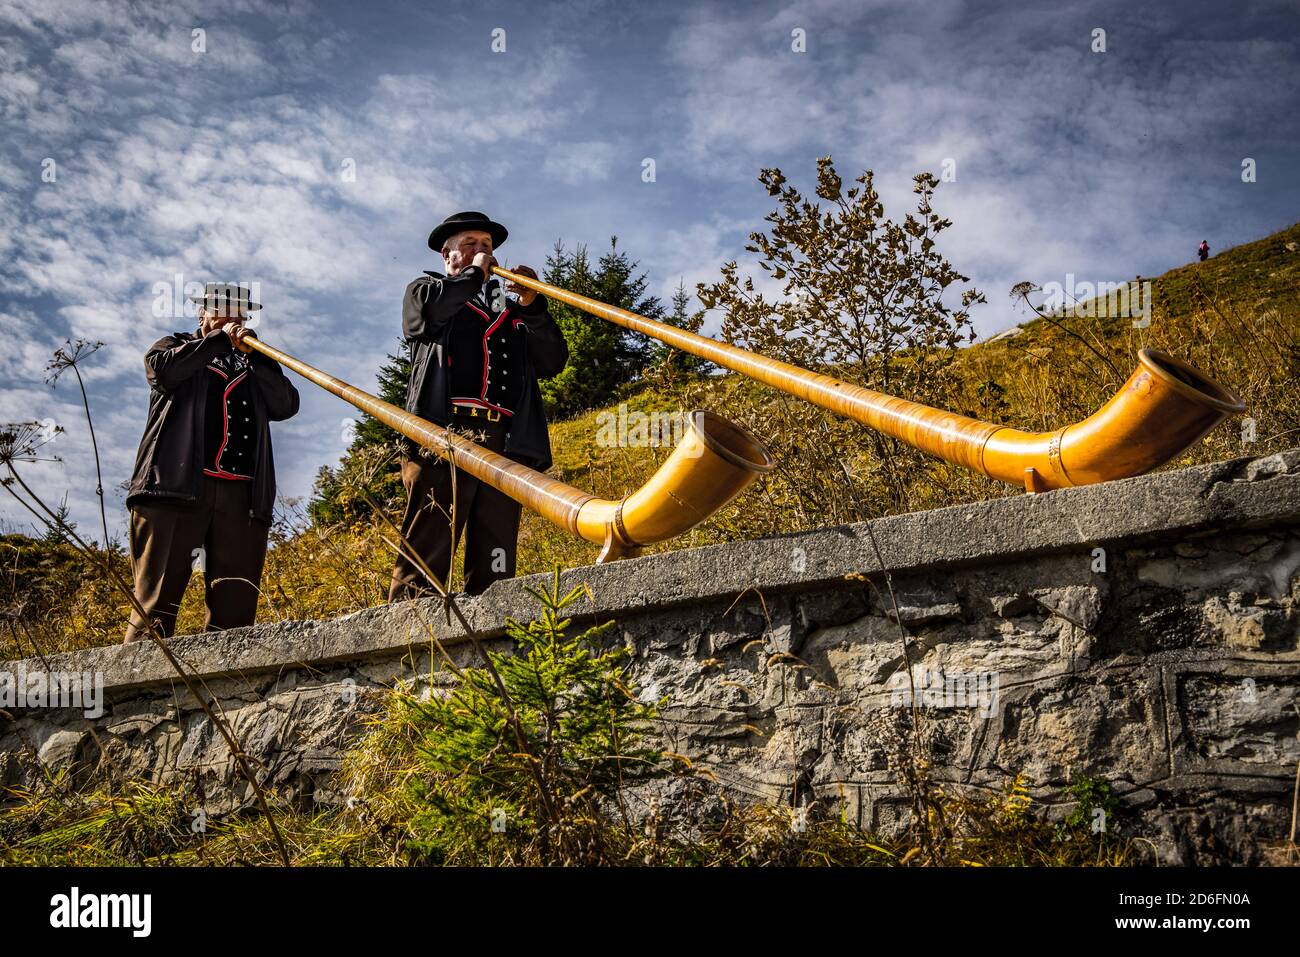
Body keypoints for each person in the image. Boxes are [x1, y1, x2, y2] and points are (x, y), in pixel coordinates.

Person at [389, 211, 568, 600]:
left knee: (497, 546)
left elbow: (552, 362)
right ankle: (409, 630)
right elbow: (427, 319)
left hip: (506, 440)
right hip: (444, 432)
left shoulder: (513, 312)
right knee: (432, 535)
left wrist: (534, 307)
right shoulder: (424, 290)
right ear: (446, 254)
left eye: (486, 246)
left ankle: (495, 631)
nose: (481, 251)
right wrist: (473, 276)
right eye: (470, 244)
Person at [123, 283, 300, 643]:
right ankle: (138, 692)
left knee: (234, 607)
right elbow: (164, 373)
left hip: (241, 497)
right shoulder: (174, 347)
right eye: (221, 309)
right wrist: (218, 340)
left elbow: (285, 405)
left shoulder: (253, 361)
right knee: (156, 603)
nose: (232, 317)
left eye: (239, 312)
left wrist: (260, 358)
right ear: (201, 313)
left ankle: (225, 692)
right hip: (174, 490)